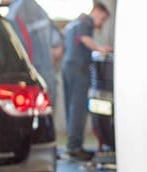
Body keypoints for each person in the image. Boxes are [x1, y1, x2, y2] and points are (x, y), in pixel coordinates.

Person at [61, 1, 111, 161]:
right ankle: (75, 147)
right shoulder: (86, 21)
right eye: (102, 19)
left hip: (67, 66)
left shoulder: (73, 23)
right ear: (96, 11)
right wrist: (100, 49)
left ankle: (71, 145)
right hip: (79, 68)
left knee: (71, 107)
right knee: (78, 108)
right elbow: (85, 39)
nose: (101, 23)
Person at [7, 0, 63, 107]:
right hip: (48, 77)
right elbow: (58, 44)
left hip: (33, 82)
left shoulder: (14, 14)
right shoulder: (38, 9)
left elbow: (14, 53)